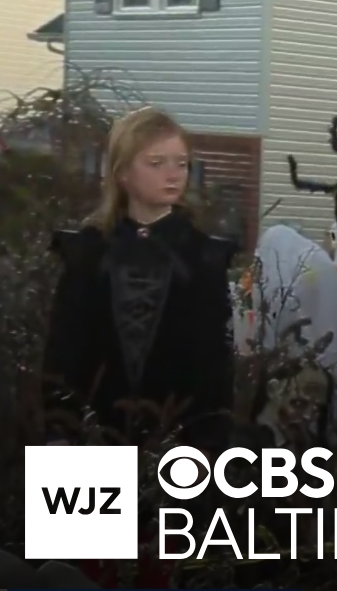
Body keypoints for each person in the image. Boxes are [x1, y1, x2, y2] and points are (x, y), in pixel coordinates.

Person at [41, 107, 235, 588]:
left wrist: (208, 443)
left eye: (181, 162)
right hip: (89, 439)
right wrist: (62, 429)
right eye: (157, 162)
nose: (173, 174)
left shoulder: (203, 257)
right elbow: (63, 353)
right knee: (83, 574)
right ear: (123, 171)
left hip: (178, 442)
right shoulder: (87, 252)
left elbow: (214, 362)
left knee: (163, 573)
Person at [248, 224, 337, 444]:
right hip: (330, 357)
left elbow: (276, 316)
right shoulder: (315, 262)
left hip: (298, 366)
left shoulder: (284, 267)